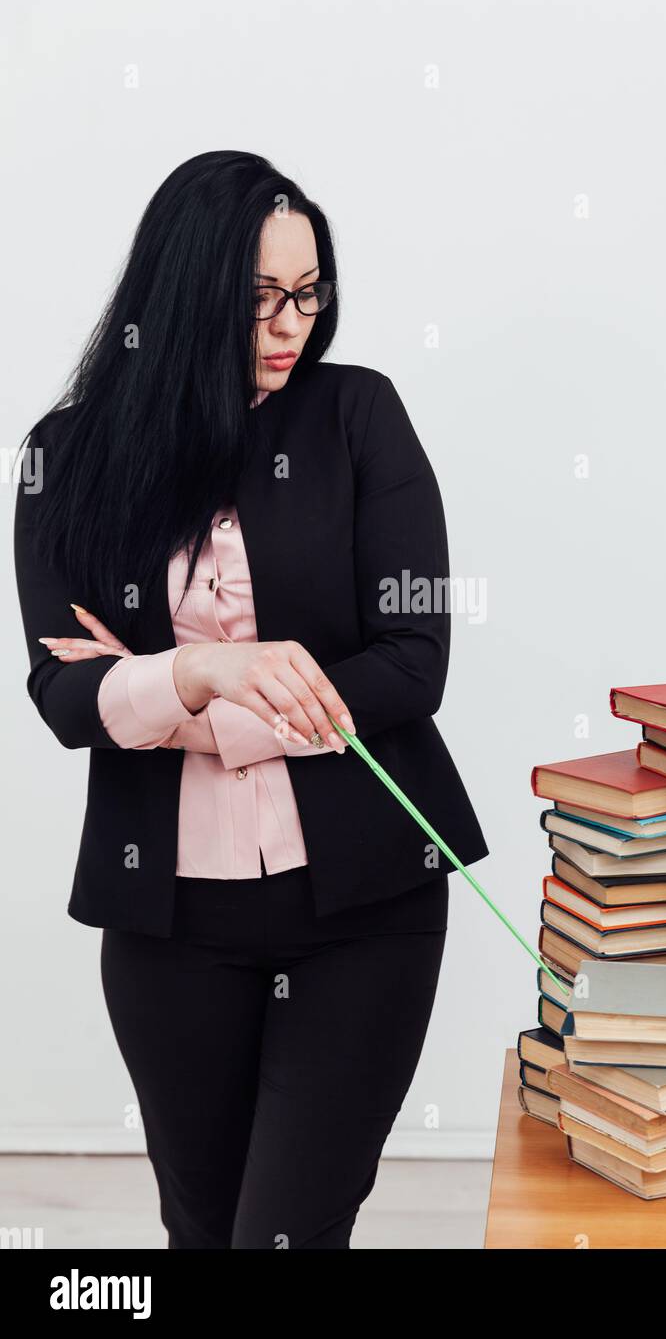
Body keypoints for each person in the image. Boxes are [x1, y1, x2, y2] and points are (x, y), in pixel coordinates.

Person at [14, 149, 489, 1249]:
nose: (291, 326)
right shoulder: (66, 457)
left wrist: (164, 698)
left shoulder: (357, 414)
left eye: (309, 293)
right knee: (201, 1229)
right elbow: (63, 697)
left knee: (286, 1234)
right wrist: (206, 668)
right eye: (262, 296)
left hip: (364, 912)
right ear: (186, 290)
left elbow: (410, 663)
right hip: (167, 927)